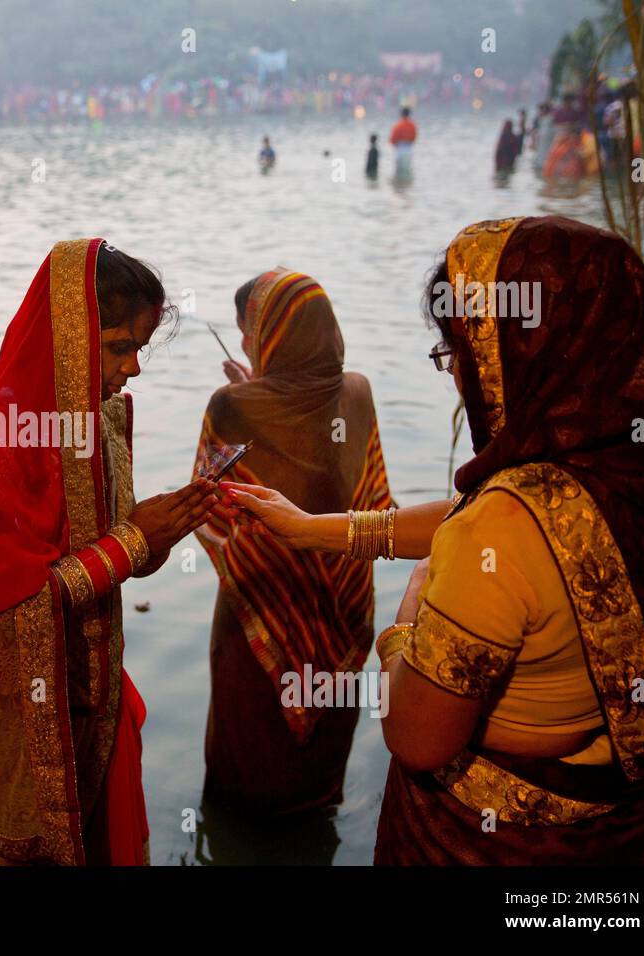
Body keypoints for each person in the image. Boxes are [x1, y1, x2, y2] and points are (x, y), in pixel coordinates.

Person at [226, 216, 644, 864]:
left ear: (519, 349)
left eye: (459, 352)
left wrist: (405, 620)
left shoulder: (497, 531)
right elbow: (479, 517)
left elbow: (415, 736)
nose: (455, 377)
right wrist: (311, 530)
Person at [0, 239, 233, 866]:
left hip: (95, 693)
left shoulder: (91, 421)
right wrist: (130, 544)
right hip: (20, 715)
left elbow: (107, 551)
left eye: (139, 350)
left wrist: (164, 527)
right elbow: (0, 610)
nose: (134, 369)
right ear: (69, 337)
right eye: (120, 347)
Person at [195, 269, 394, 813]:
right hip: (344, 612)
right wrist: (257, 387)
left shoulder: (229, 407)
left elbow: (209, 512)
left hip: (259, 610)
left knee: (248, 787)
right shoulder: (359, 390)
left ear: (272, 335)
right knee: (317, 786)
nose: (244, 344)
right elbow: (369, 498)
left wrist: (246, 396)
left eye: (248, 333)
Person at [389, 106, 417, 175]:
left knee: (399, 170)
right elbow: (414, 137)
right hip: (409, 149)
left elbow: (392, 139)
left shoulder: (399, 125)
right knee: (407, 169)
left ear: (401, 114)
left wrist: (395, 145)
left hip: (400, 149)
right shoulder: (413, 126)